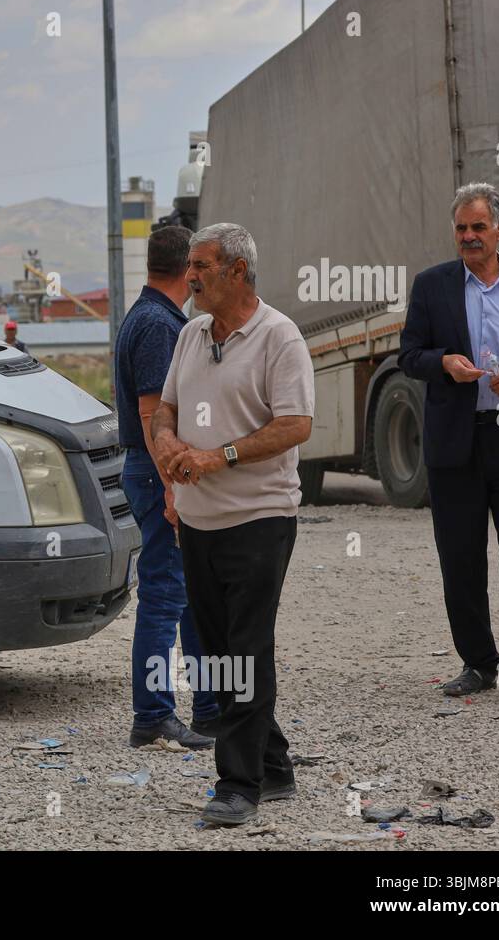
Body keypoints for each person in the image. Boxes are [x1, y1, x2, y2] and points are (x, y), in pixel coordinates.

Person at [151, 223, 314, 826]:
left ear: (237, 272)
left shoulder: (279, 336)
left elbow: (296, 425)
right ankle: (273, 767)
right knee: (219, 654)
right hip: (198, 522)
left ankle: (237, 785)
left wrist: (216, 457)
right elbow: (165, 405)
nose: (189, 275)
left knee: (245, 649)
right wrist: (166, 443)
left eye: (201, 266)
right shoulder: (191, 334)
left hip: (258, 518)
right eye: (190, 265)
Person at [399, 182, 499, 703]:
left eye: (478, 227)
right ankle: (479, 664)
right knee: (461, 559)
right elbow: (409, 355)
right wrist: (442, 363)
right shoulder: (432, 286)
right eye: (461, 228)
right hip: (458, 447)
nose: (468, 237)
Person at [114, 225, 218, 750]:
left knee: (189, 594)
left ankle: (209, 707)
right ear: (187, 271)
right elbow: (153, 413)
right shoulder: (159, 325)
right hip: (159, 475)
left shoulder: (151, 315)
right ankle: (153, 713)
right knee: (164, 594)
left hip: (158, 473)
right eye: (198, 267)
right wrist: (172, 487)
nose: (201, 277)